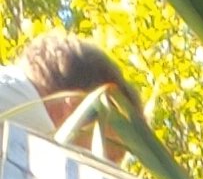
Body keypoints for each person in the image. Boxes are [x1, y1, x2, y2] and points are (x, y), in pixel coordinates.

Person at [0, 32, 146, 144]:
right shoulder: (32, 132)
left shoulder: (12, 91)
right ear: (74, 109)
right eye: (109, 160)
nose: (110, 173)